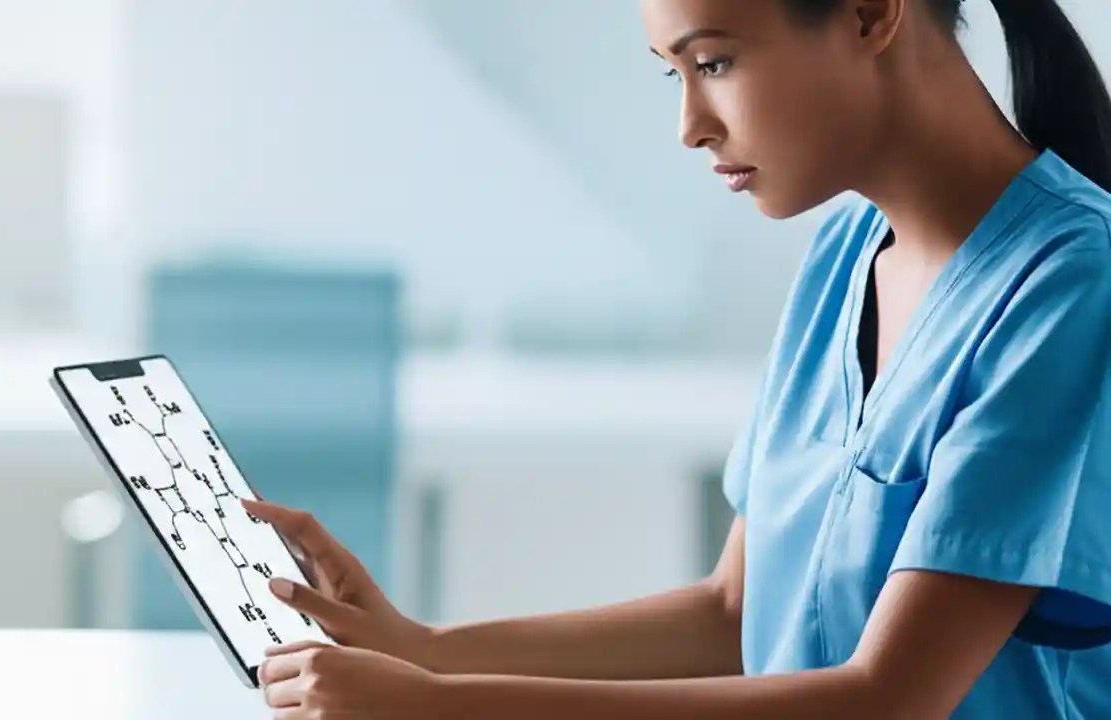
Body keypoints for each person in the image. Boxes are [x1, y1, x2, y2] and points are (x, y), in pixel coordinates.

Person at [240, 0, 1111, 717]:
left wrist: (439, 704)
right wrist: (420, 649)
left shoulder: (1074, 285)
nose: (690, 126)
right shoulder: (846, 254)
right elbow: (733, 612)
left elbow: (884, 699)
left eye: (715, 64)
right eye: (674, 72)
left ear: (870, 14)